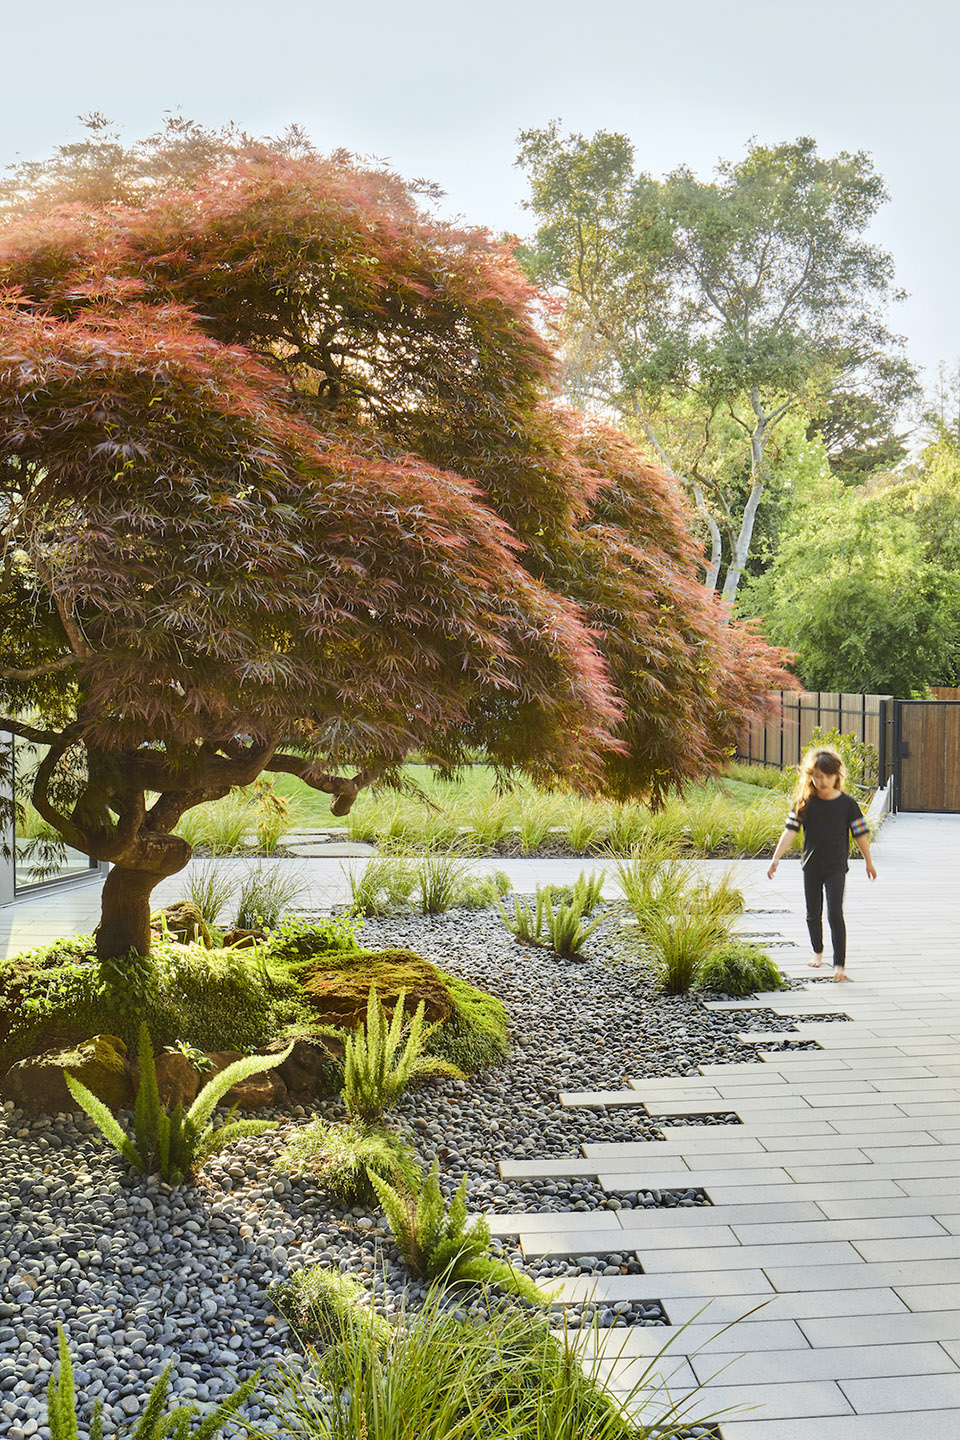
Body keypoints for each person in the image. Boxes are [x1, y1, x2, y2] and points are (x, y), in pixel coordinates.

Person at [767, 746, 877, 981]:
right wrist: (776, 857)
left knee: (835, 913)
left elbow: (860, 835)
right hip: (811, 867)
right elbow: (790, 831)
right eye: (817, 776)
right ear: (811, 776)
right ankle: (817, 950)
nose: (822, 780)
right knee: (812, 913)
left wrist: (868, 861)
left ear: (837, 776)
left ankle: (839, 964)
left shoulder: (848, 804)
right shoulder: (804, 802)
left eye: (827, 776)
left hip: (836, 867)